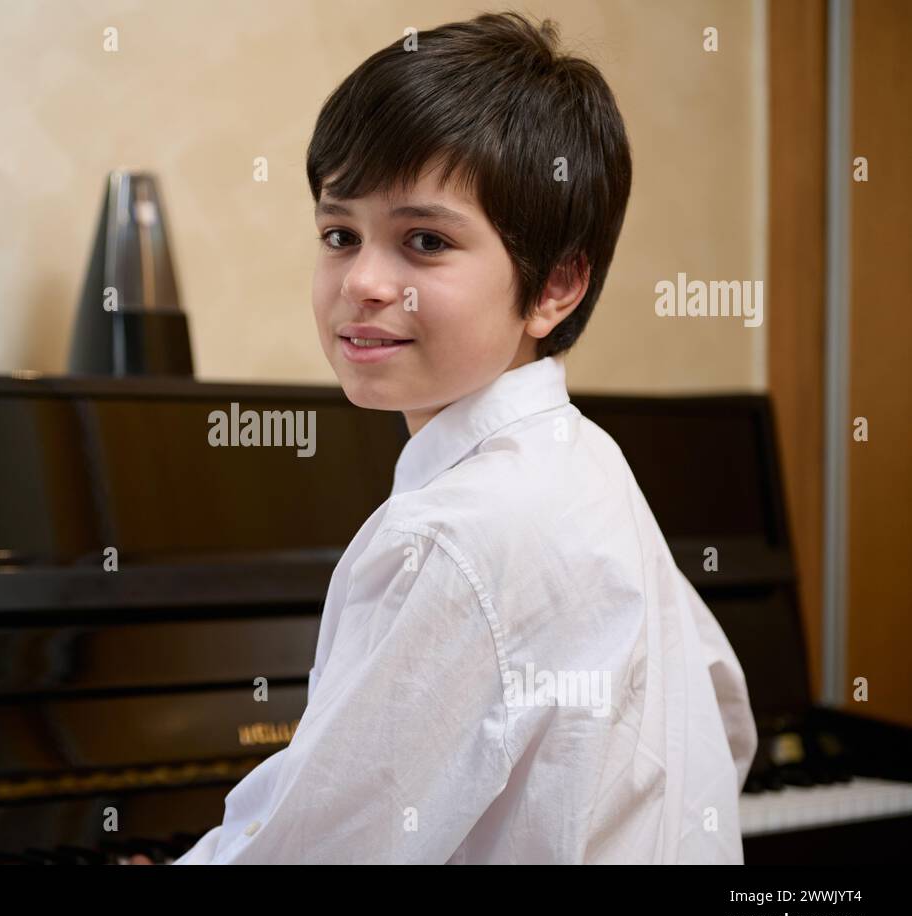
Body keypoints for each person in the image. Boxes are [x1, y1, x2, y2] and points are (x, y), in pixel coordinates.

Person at [165, 10, 756, 864]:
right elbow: (725, 723)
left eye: (425, 241)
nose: (364, 282)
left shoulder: (449, 537)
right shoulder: (589, 462)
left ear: (555, 286)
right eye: (340, 235)